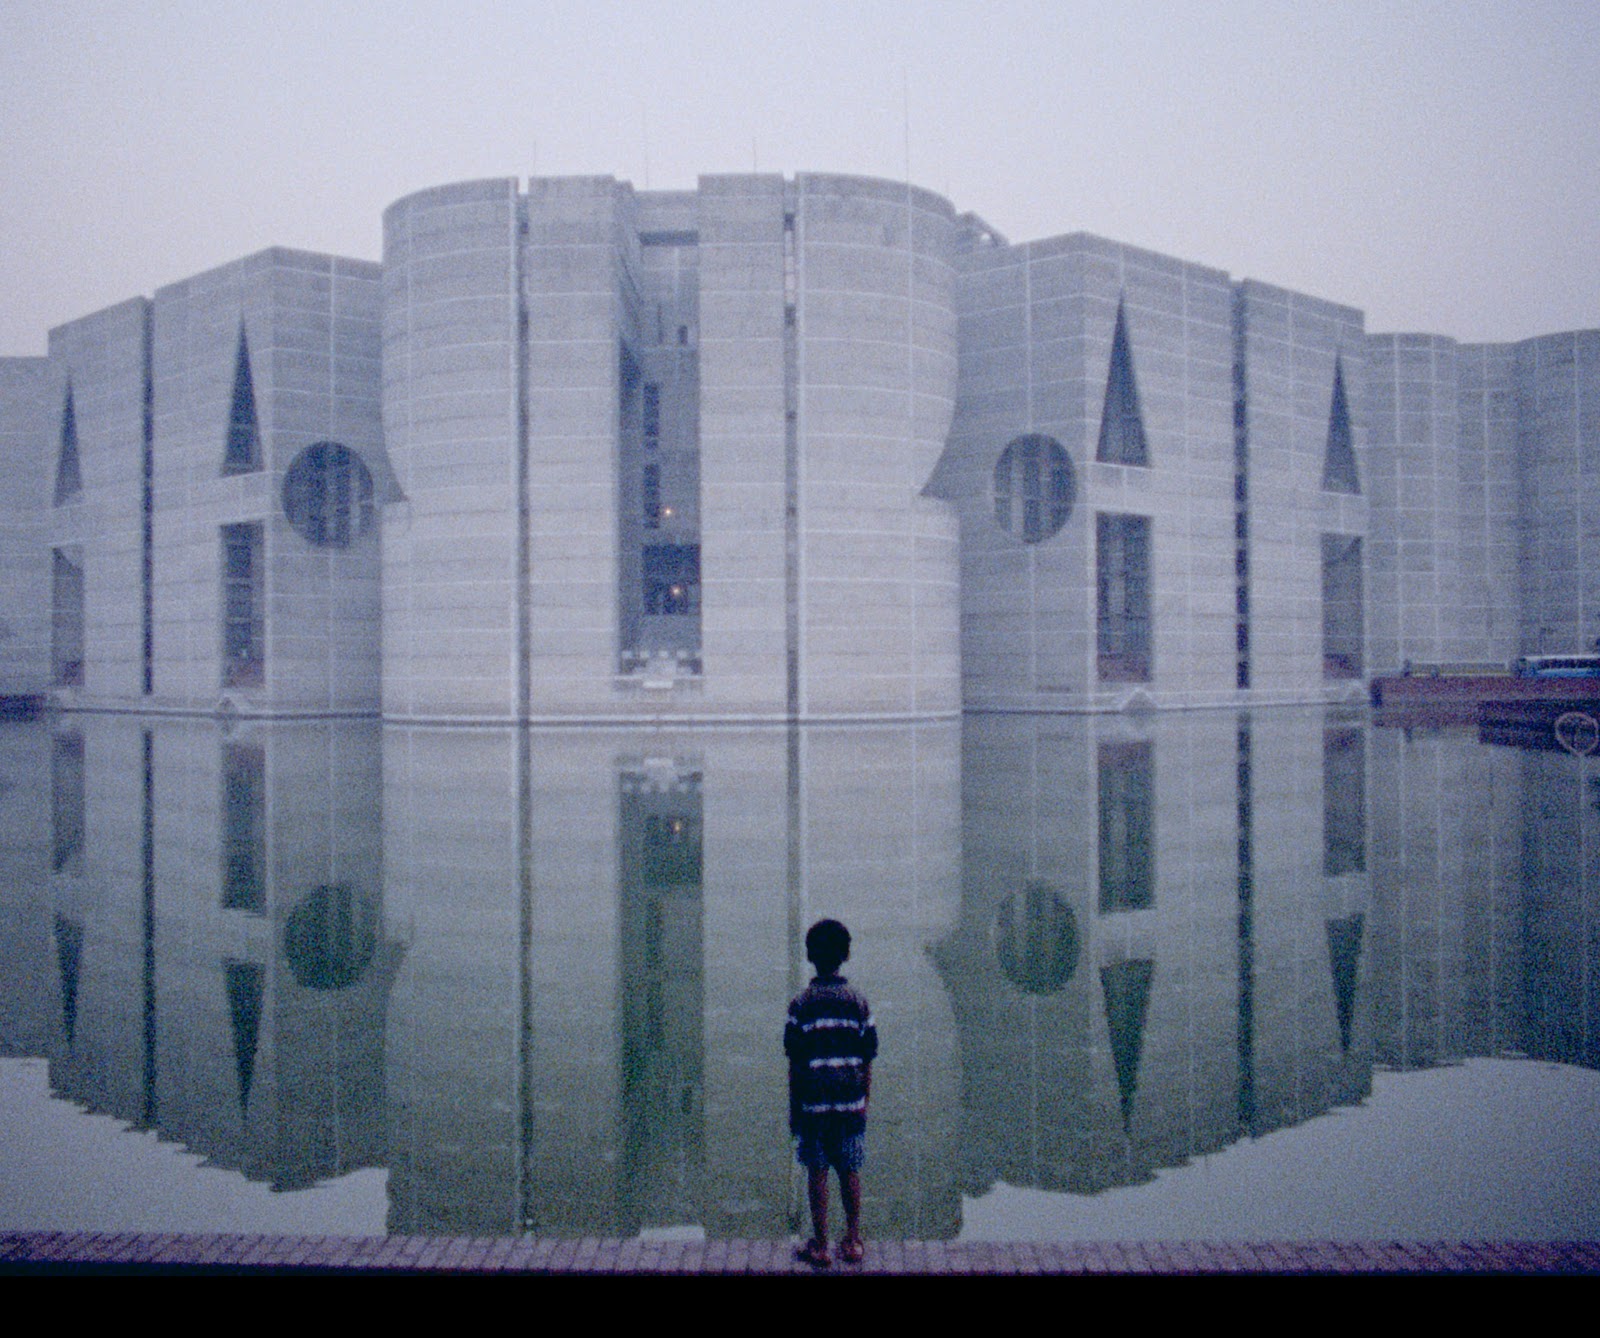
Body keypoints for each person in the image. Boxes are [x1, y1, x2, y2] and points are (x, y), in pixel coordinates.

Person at [784, 918, 877, 1267]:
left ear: (810, 956)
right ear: (846, 955)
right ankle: (853, 1241)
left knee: (817, 1172)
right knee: (850, 1170)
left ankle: (821, 1244)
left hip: (813, 1107)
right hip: (851, 1105)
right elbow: (869, 1055)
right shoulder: (858, 1002)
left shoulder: (801, 1005)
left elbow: (795, 1063)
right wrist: (864, 1101)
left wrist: (795, 1109)